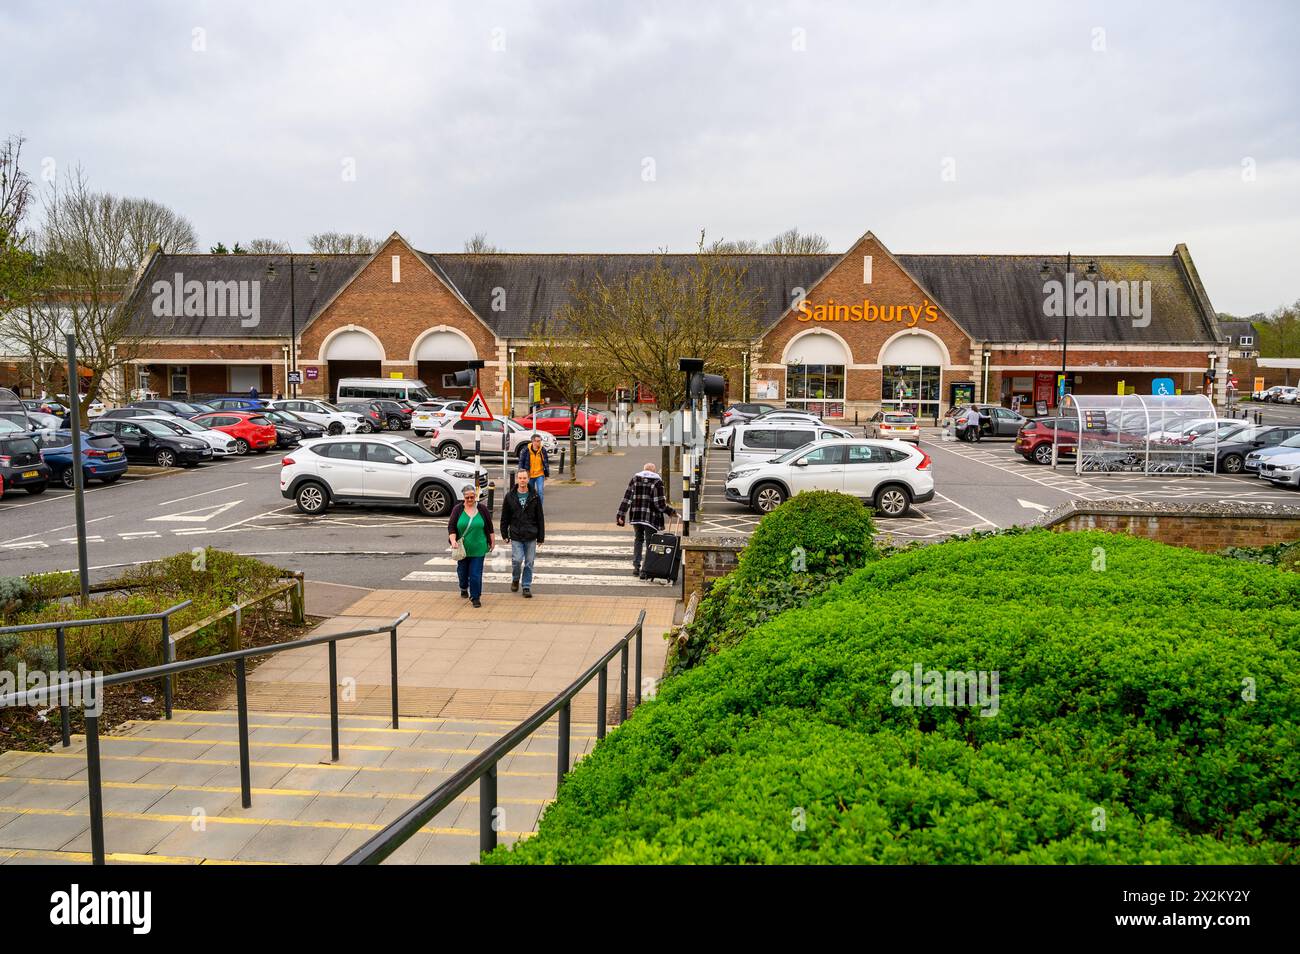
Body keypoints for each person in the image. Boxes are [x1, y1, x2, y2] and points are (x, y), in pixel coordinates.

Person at [616, 462, 677, 579]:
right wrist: (670, 511)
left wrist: (621, 515)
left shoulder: (635, 479)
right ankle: (645, 569)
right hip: (651, 518)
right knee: (650, 543)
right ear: (654, 471)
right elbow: (659, 503)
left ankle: (636, 567)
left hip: (636, 517)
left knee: (638, 539)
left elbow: (627, 498)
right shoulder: (657, 482)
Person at [447, 485, 494, 607]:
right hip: (462, 549)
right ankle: (463, 587)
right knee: (462, 573)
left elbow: (489, 527)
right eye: (467, 497)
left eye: (472, 497)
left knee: (475, 574)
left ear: (475, 496)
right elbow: (451, 527)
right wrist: (453, 541)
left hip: (479, 547)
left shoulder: (482, 509)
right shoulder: (457, 509)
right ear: (463, 497)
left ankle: (475, 597)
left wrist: (492, 541)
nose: (469, 499)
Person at [500, 468, 545, 598]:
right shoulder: (510, 496)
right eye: (520, 478)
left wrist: (541, 537)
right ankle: (515, 578)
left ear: (528, 479)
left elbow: (540, 517)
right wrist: (504, 534)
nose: (522, 480)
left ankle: (526, 586)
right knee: (517, 560)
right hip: (516, 534)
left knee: (529, 562)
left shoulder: (534, 496)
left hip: (531, 534)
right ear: (517, 479)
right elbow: (505, 517)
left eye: (524, 478)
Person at [518, 432, 549, 503]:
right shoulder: (526, 450)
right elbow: (521, 461)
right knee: (530, 492)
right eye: (537, 441)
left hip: (539, 475)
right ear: (533, 441)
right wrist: (521, 472)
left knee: (540, 491)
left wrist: (546, 474)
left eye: (540, 441)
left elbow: (546, 462)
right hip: (529, 475)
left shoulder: (542, 450)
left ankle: (539, 509)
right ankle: (530, 507)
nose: (539, 443)